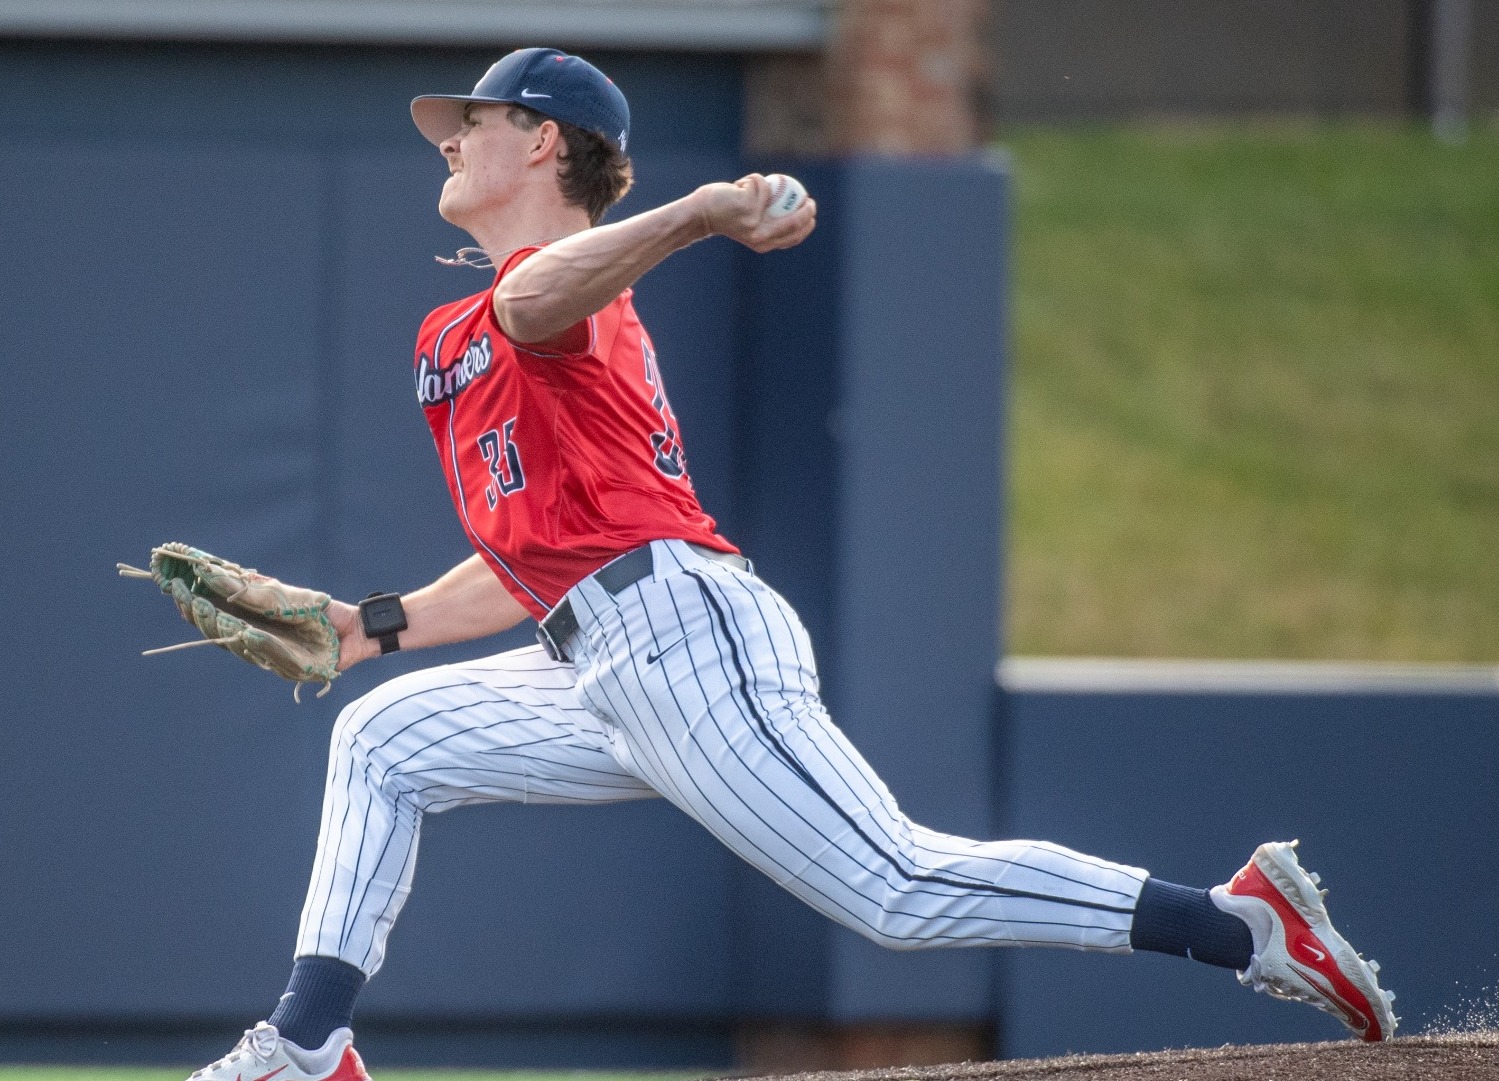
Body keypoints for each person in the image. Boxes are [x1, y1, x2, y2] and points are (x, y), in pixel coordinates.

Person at [183, 48, 1398, 1081]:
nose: (448, 142)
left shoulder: (562, 298)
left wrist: (700, 212)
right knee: (383, 738)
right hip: (596, 653)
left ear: (544, 142)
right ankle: (309, 1043)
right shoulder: (461, 325)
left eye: (474, 122)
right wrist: (370, 625)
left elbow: (543, 295)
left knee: (896, 889)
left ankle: (1240, 924)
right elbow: (527, 556)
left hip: (682, 637)